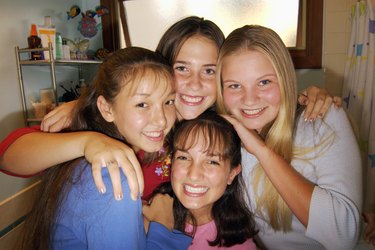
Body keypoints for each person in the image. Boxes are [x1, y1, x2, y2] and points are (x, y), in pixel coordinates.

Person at [0, 16, 340, 200]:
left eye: (208, 71)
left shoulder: (223, 124)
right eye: (181, 68)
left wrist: (306, 95)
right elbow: (10, 154)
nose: (194, 84)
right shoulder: (130, 126)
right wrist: (88, 139)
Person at [20, 47, 192, 250]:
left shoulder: (99, 158)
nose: (162, 119)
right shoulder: (112, 178)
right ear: (106, 108)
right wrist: (162, 225)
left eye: (168, 102)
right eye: (142, 105)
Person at [215, 25, 362, 249]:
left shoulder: (323, 119)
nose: (250, 99)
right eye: (235, 86)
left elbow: (344, 236)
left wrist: (263, 152)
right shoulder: (224, 135)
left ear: (284, 79)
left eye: (264, 82)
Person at [144, 111, 258, 249]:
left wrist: (161, 225)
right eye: (184, 158)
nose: (194, 175)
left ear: (232, 174)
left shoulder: (240, 246)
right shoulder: (144, 214)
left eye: (212, 162)